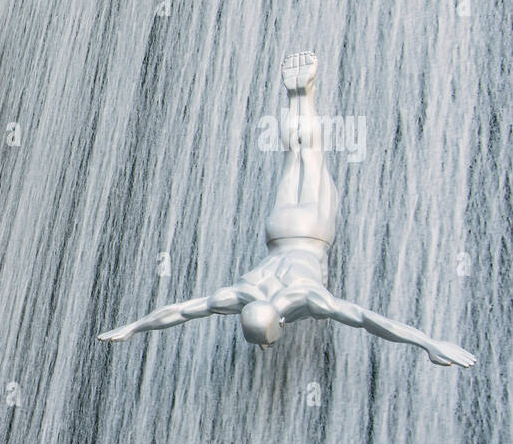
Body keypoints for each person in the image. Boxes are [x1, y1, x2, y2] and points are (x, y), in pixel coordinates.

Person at [97, 52, 476, 367]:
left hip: (313, 232)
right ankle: (297, 97)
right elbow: (180, 311)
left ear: (279, 321)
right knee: (294, 157)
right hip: (277, 231)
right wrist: (132, 327)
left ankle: (304, 95)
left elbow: (366, 319)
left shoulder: (308, 297)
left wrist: (429, 344)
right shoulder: (238, 294)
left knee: (310, 156)